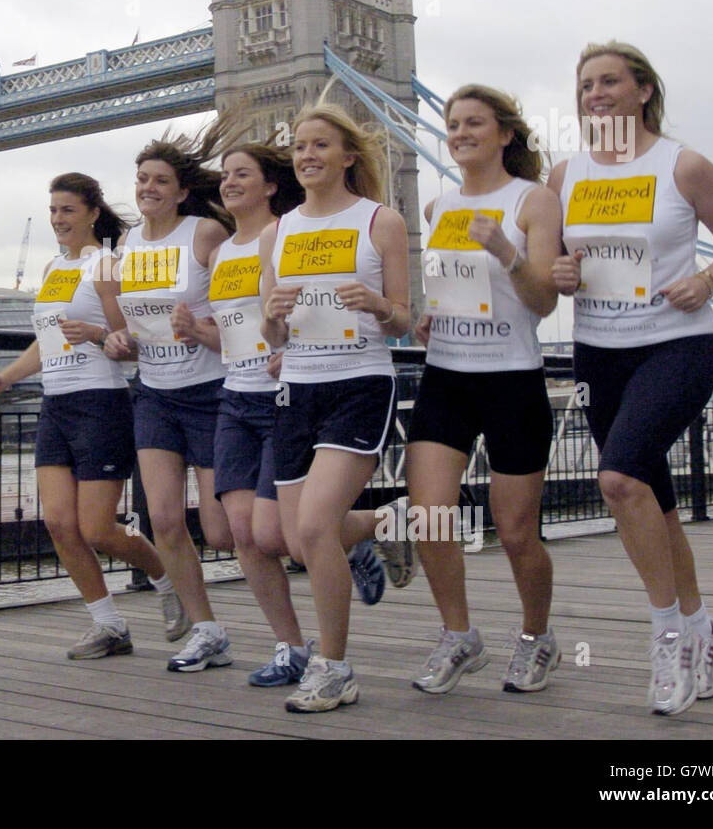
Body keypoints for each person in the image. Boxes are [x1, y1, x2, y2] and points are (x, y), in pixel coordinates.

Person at [549, 42, 713, 715]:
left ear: (643, 89)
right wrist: (557, 273)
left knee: (616, 478)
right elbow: (550, 268)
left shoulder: (683, 163)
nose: (595, 94)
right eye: (585, 85)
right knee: (654, 504)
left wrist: (706, 277)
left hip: (677, 346)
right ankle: (702, 628)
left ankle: (666, 637)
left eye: (609, 81)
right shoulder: (564, 176)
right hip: (598, 353)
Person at [0, 173, 187, 659]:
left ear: (92, 213)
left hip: (102, 403)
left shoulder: (108, 266)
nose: (57, 220)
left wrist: (95, 334)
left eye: (67, 210)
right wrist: (5, 378)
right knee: (58, 524)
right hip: (58, 404)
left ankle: (166, 579)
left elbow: (129, 339)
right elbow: (47, 343)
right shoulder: (54, 268)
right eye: (53, 211)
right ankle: (109, 626)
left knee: (97, 528)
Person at [407, 84, 562, 694]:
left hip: (512, 379)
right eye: (454, 124)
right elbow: (452, 290)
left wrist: (506, 251)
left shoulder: (534, 201)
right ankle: (459, 635)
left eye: (476, 123)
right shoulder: (436, 208)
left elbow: (544, 300)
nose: (463, 132)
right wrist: (429, 317)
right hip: (447, 374)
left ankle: (535, 636)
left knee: (517, 530)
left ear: (505, 134)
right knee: (429, 516)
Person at [259, 101, 413, 712]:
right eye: (299, 146)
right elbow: (276, 339)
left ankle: (334, 667)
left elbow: (401, 321)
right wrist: (271, 320)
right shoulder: (279, 231)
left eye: (320, 145)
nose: (307, 156)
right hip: (297, 388)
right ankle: (388, 522)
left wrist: (377, 305)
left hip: (359, 384)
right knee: (300, 541)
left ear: (349, 155)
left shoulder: (381, 222)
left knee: (317, 525)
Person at [103, 120, 237, 672]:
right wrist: (117, 342)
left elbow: (241, 310)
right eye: (141, 180)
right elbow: (129, 335)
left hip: (209, 390)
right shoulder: (126, 246)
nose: (147, 189)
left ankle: (347, 541)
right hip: (154, 393)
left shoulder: (204, 234)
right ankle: (207, 630)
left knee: (225, 530)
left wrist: (203, 326)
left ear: (182, 191)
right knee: (162, 518)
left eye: (159, 181)